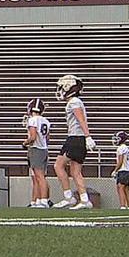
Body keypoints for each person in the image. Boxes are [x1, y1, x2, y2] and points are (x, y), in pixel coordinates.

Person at [53, 74, 97, 210]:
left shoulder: (74, 102)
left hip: (75, 138)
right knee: (75, 172)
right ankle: (84, 199)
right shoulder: (75, 101)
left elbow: (81, 119)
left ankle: (69, 197)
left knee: (58, 165)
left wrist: (88, 136)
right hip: (77, 138)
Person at [22, 98, 52, 208]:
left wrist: (25, 143)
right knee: (39, 177)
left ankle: (43, 200)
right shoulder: (46, 121)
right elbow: (48, 138)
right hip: (44, 149)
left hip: (36, 149)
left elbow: (33, 137)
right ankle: (38, 200)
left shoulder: (33, 120)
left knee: (39, 177)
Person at [112, 131, 129, 210]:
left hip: (123, 170)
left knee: (120, 188)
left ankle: (123, 206)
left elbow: (120, 161)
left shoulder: (121, 148)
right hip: (128, 170)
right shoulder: (126, 148)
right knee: (126, 189)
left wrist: (115, 170)